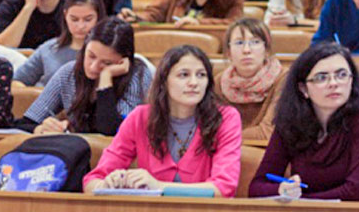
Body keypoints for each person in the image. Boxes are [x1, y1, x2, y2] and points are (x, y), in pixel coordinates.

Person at [83, 46, 243, 197]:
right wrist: (107, 185)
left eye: (201, 75)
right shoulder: (140, 118)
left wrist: (158, 186)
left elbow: (224, 188)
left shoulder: (226, 118)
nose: (194, 83)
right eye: (184, 75)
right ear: (165, 81)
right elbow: (92, 181)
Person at [249, 42, 359, 201]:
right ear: (303, 89)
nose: (334, 83)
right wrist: (281, 189)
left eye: (342, 75)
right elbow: (257, 186)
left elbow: (357, 191)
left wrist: (303, 200)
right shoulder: (290, 122)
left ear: (351, 80)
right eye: (322, 77)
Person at [17, 18, 151, 136]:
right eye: (91, 56)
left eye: (107, 63)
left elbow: (112, 130)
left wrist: (106, 78)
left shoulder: (137, 75)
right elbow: (26, 122)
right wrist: (40, 129)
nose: (93, 67)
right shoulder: (69, 72)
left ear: (123, 61)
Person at [16, 0, 105, 87]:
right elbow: (17, 81)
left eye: (88, 19)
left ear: (98, 17)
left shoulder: (108, 52)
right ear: (65, 15)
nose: (80, 26)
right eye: (74, 19)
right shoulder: (49, 49)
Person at [219, 19, 286, 127]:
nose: (246, 50)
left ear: (266, 50)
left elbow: (268, 132)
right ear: (228, 53)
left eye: (255, 42)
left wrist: (227, 137)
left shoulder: (283, 78)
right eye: (239, 43)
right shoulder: (220, 82)